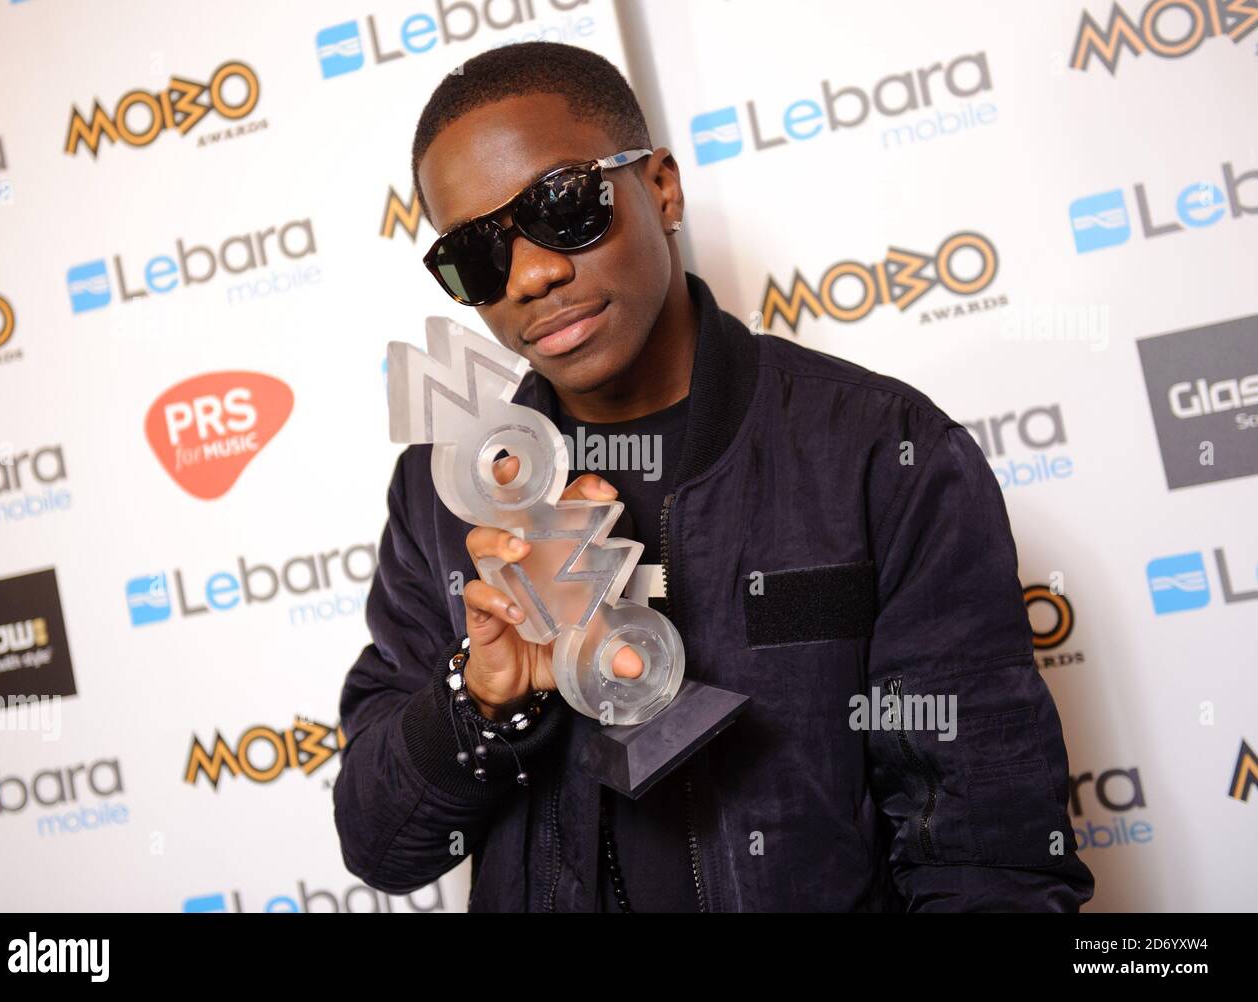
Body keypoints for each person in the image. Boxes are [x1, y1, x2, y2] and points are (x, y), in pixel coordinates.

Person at [333, 40, 1095, 912]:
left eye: (565, 206)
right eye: (477, 253)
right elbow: (381, 845)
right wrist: (478, 699)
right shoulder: (442, 495)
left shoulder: (880, 453)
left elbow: (988, 855)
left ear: (661, 188)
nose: (531, 275)